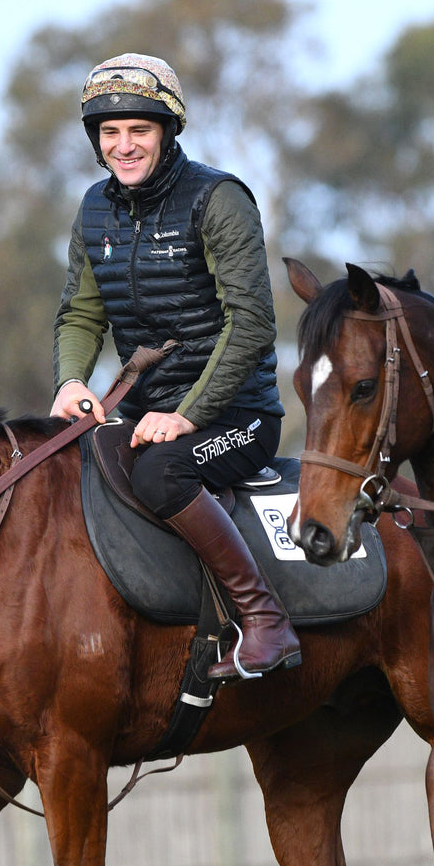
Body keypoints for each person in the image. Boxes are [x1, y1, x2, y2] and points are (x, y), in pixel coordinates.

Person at [49, 53, 299, 681]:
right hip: (140, 411)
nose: (124, 145)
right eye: (110, 132)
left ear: (167, 131)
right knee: (50, 466)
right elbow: (81, 315)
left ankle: (267, 621)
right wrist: (73, 381)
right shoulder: (93, 209)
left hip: (236, 414)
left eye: (139, 129)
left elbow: (253, 327)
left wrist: (186, 416)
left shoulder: (220, 199)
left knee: (161, 475)